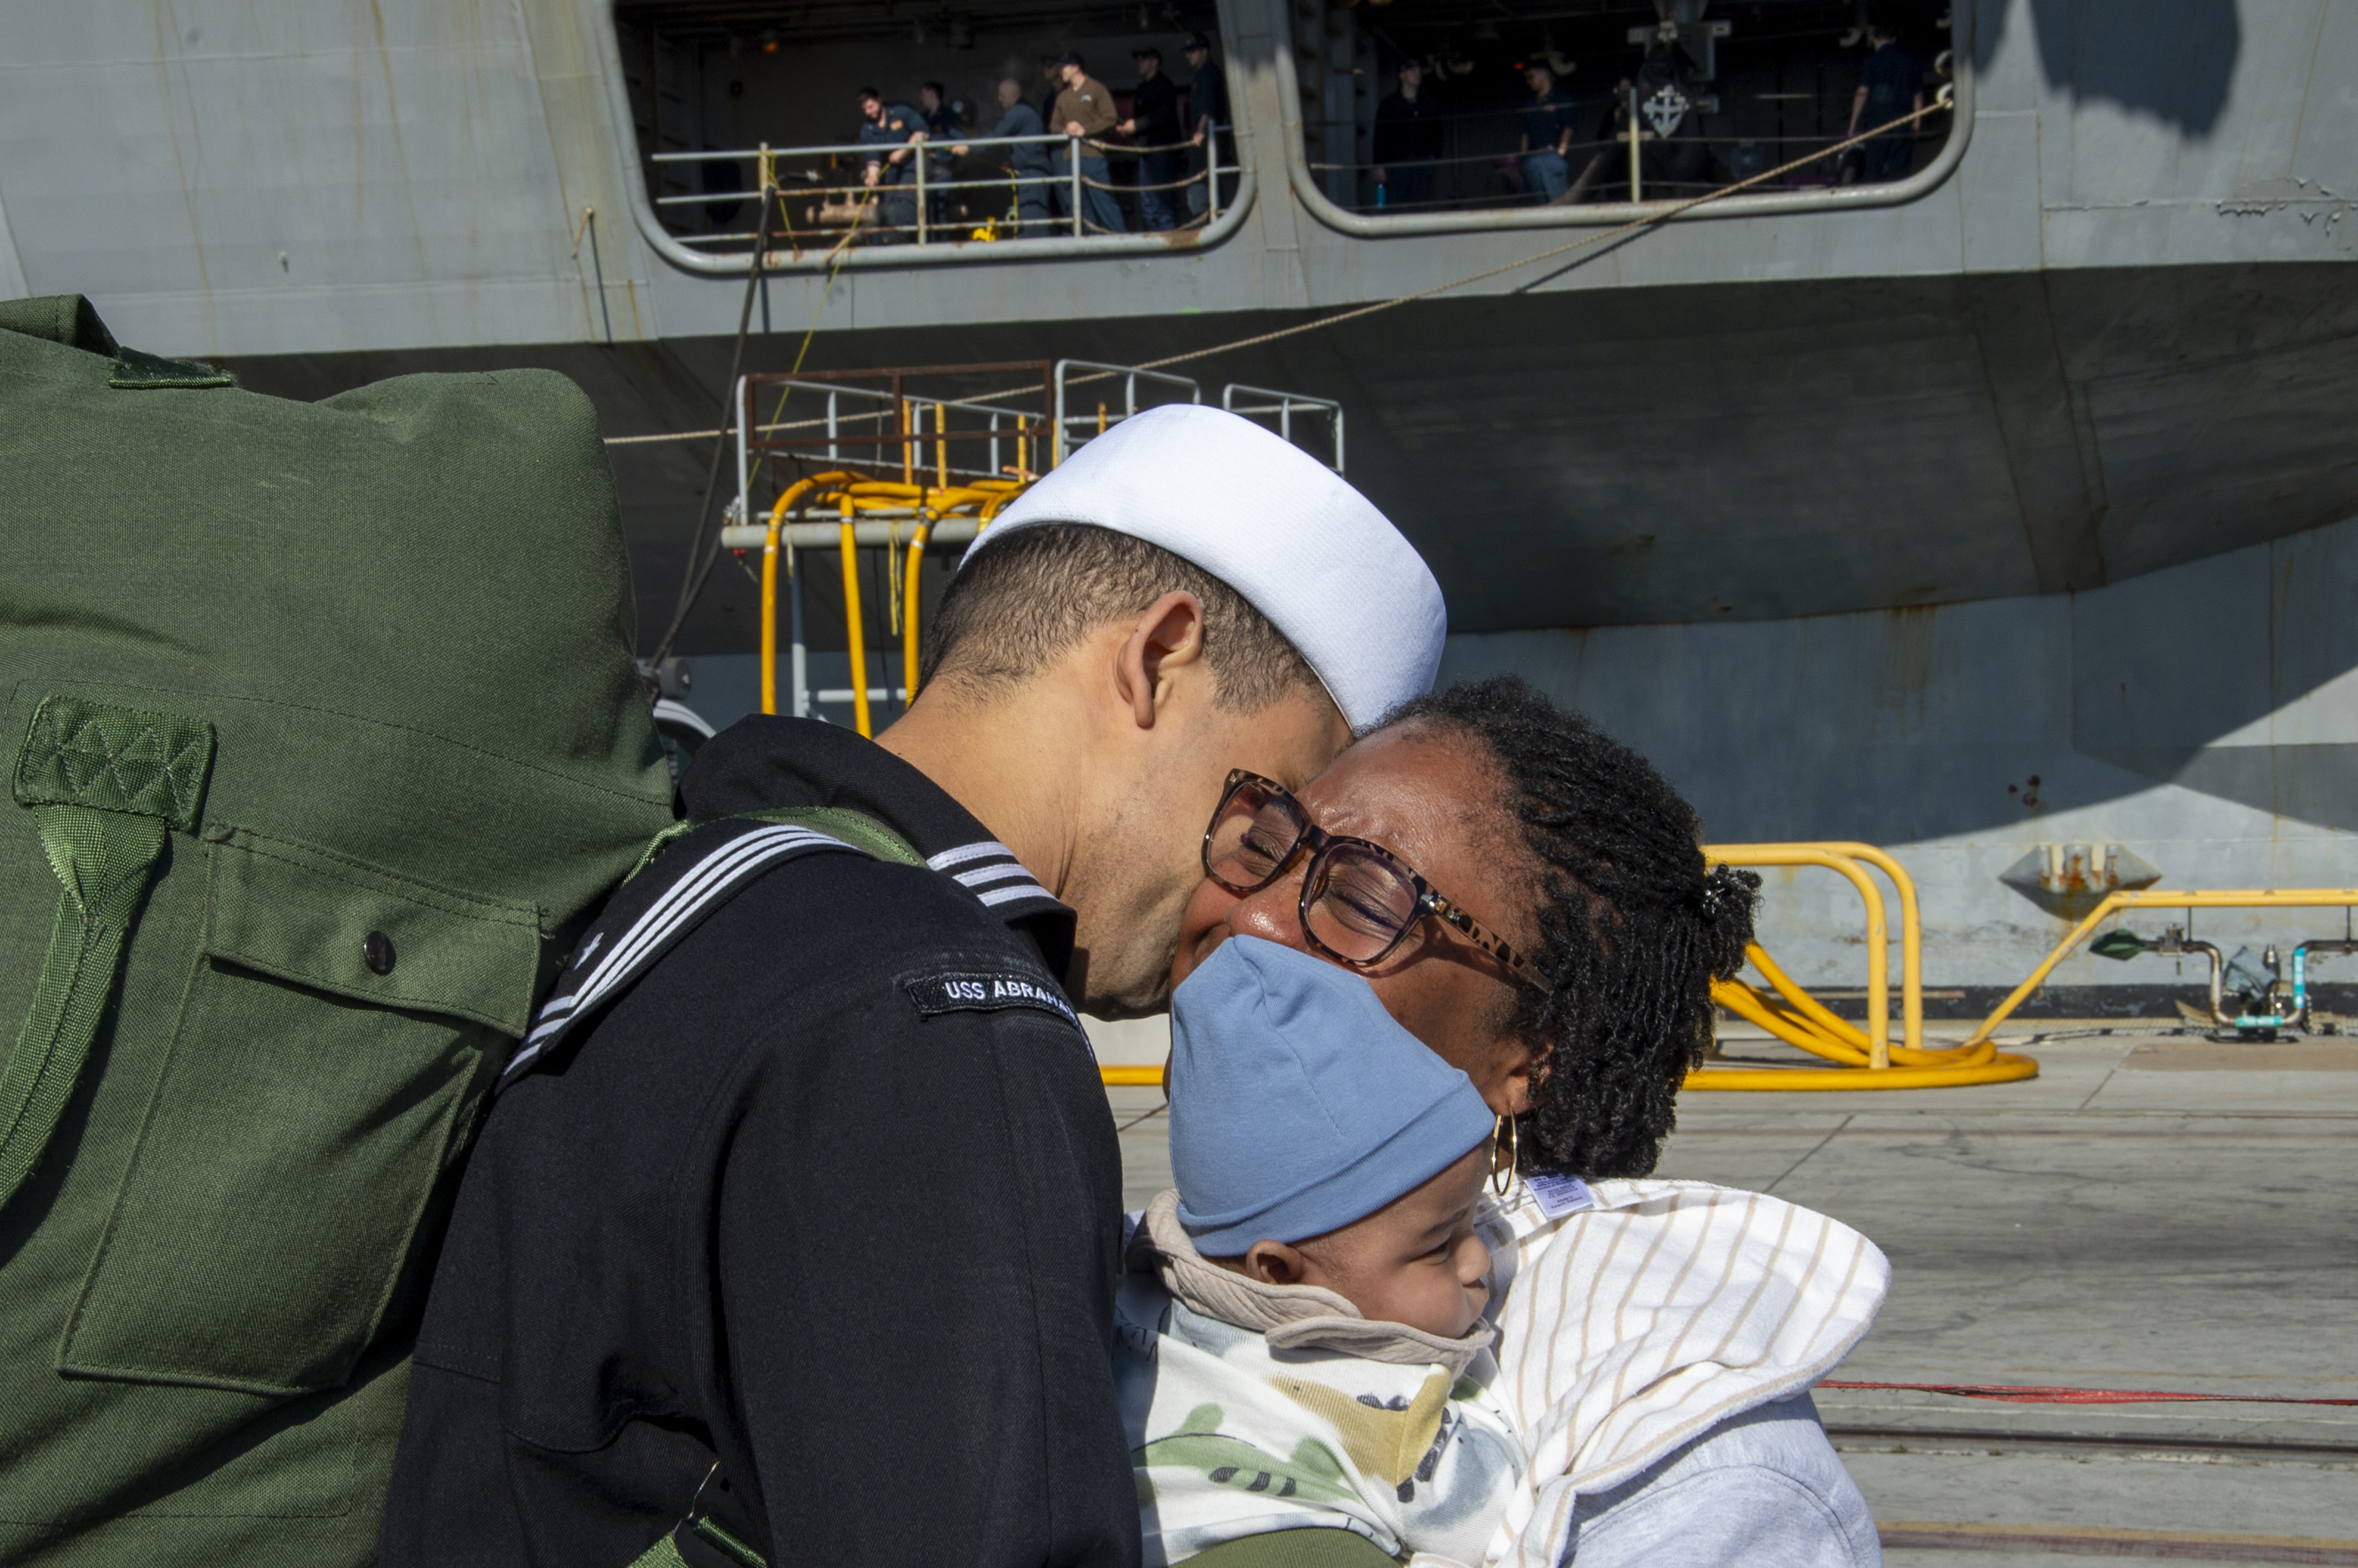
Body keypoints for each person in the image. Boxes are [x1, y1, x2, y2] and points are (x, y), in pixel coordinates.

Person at [376, 405, 1449, 1568]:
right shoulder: (945, 1016)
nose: (1251, 909)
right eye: (1263, 821)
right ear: (1157, 659)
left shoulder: (705, 883)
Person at [1174, 676, 1891, 1568]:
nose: (1250, 916)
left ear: (1529, 1055)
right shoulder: (1105, 1263)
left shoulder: (1694, 1476)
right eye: (1267, 844)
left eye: (1362, 902)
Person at [1120, 937, 1525, 1565]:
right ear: (1279, 1271)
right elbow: (1496, 1516)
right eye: (1439, 1246)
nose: (1478, 1261)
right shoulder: (1393, 1411)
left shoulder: (1125, 1294)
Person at [960, 76, 1052, 237]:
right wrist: (1011, 161)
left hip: (1032, 172)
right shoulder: (1026, 111)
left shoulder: (1019, 112)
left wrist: (969, 147)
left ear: (1013, 94)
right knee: (1027, 216)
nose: (999, 99)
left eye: (1002, 95)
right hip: (1030, 169)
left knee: (1033, 218)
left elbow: (997, 135)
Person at [1052, 54, 1127, 235]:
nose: (1061, 71)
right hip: (1070, 158)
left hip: (1093, 156)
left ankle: (1121, 240)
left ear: (1076, 67)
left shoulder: (1096, 89)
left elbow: (1110, 117)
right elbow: (1054, 125)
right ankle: (1090, 245)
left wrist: (1085, 130)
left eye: (1064, 67)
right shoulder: (1063, 96)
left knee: (1104, 202)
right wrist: (1066, 129)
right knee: (1080, 208)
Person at [1120, 46, 1184, 231]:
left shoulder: (1164, 86)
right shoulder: (1143, 88)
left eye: (1144, 59)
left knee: (1162, 206)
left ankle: (1167, 242)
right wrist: (1130, 132)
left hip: (1161, 152)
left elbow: (1162, 116)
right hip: (1146, 153)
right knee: (1149, 207)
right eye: (1138, 60)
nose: (1139, 63)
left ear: (1155, 62)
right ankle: (1157, 240)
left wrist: (1136, 125)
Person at [1850, 24, 1925, 182]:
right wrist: (1917, 121)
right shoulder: (1909, 61)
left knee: (1873, 172)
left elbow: (1863, 92)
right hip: (1902, 121)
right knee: (1900, 174)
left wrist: (1853, 124)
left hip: (1877, 122)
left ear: (1874, 40)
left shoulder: (1871, 61)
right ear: (1893, 39)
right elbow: (1918, 94)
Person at [854, 85, 925, 241]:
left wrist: (903, 151)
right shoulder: (867, 129)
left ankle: (903, 239)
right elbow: (872, 157)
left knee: (907, 199)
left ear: (880, 100)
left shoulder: (901, 111)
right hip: (890, 170)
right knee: (887, 205)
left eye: (871, 106)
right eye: (865, 109)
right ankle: (889, 241)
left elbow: (923, 134)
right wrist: (872, 176)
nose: (869, 112)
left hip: (912, 163)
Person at [1372, 58, 1444, 210]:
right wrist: (1379, 164)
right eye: (1412, 70)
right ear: (1402, 75)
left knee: (1420, 207)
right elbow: (1380, 135)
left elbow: (1437, 131)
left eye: (1418, 70)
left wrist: (1435, 156)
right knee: (1395, 206)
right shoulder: (1389, 104)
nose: (1417, 73)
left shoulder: (1428, 103)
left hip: (1422, 161)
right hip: (1396, 163)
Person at [1183, 31, 1231, 215]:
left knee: (1199, 188)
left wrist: (1200, 131)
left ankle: (1205, 221)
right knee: (1211, 186)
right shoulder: (1206, 73)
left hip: (1206, 142)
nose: (1189, 55)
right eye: (1187, 52)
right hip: (1211, 141)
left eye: (1193, 51)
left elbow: (1207, 107)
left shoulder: (1206, 73)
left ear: (1204, 52)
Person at [1517, 63, 1578, 205]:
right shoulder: (1530, 103)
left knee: (1559, 202)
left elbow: (1569, 126)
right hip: (1532, 159)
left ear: (1544, 74)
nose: (1529, 81)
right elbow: (1525, 132)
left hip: (1552, 155)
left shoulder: (1561, 98)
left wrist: (1561, 151)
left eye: (1531, 77)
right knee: (1537, 204)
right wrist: (1523, 156)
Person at [918, 80, 962, 228]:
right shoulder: (922, 118)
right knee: (926, 210)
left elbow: (959, 143)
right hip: (925, 170)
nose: (920, 98)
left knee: (940, 209)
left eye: (923, 94)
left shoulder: (949, 117)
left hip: (943, 169)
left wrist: (938, 155)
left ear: (932, 94)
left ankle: (942, 240)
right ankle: (929, 239)